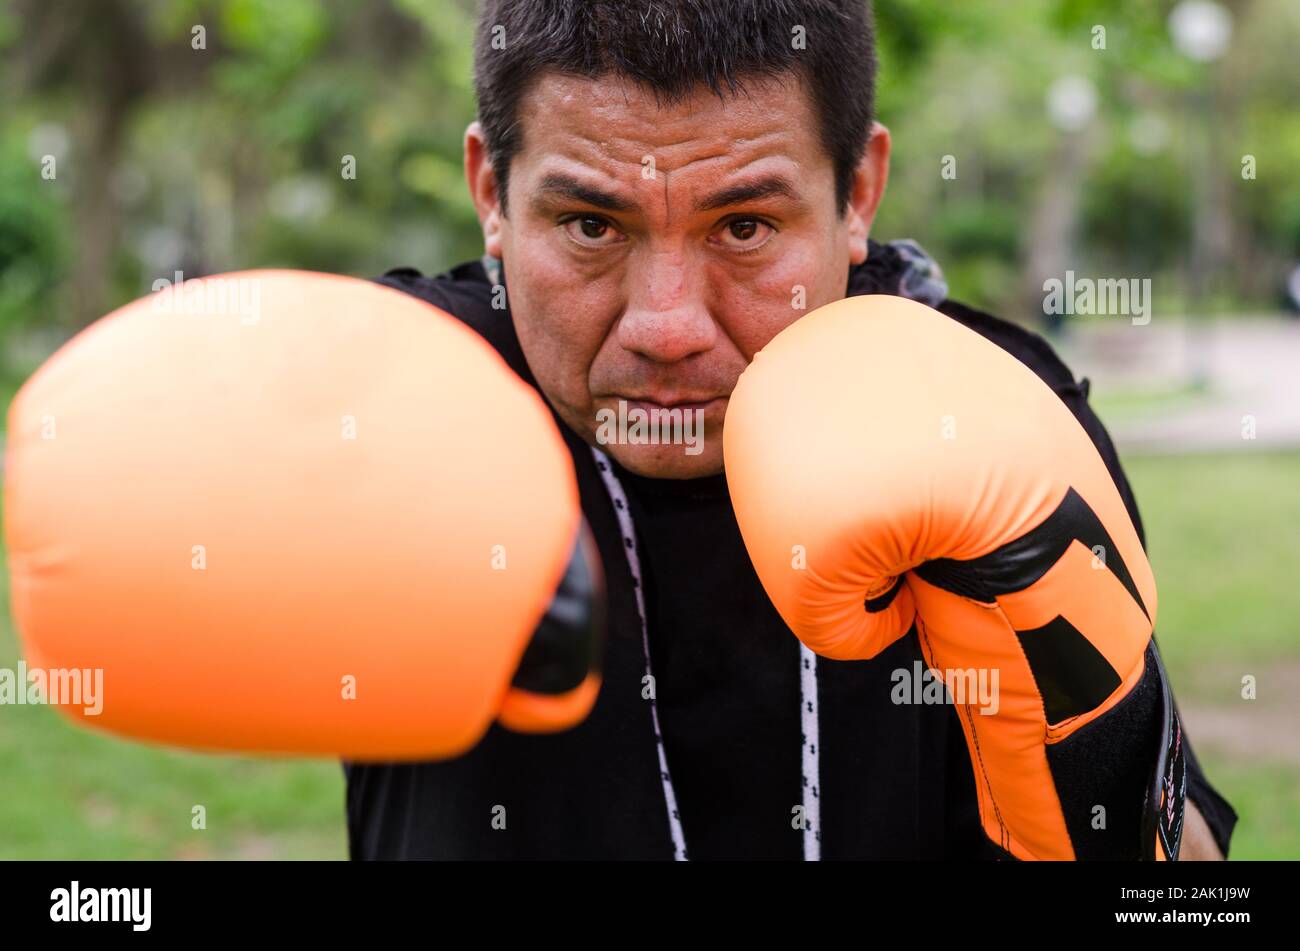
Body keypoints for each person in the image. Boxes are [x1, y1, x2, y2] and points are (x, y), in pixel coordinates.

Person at [344, 0, 1236, 860]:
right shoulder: (390, 394)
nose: (666, 326)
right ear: (491, 191)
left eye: (743, 226)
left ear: (858, 192)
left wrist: (1097, 730)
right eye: (590, 225)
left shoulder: (1000, 401)